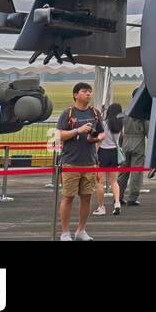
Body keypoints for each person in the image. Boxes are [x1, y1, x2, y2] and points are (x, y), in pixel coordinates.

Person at [56, 82, 103, 240]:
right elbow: (59, 135)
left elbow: (102, 134)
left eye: (90, 92)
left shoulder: (95, 113)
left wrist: (94, 138)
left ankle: (81, 230)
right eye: (84, 91)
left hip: (89, 162)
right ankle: (64, 232)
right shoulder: (68, 113)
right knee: (68, 197)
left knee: (87, 197)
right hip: (70, 162)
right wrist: (78, 130)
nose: (88, 94)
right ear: (76, 94)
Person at [117, 96, 147, 207]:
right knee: (136, 172)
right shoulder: (142, 113)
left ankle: (118, 196)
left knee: (123, 172)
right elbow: (148, 131)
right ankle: (132, 198)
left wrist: (121, 144)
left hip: (125, 143)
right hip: (138, 143)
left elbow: (120, 131)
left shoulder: (125, 112)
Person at [94, 103, 123, 216]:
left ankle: (101, 207)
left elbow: (99, 140)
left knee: (100, 181)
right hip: (114, 153)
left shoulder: (104, 124)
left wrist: (95, 155)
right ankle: (117, 203)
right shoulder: (120, 125)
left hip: (103, 152)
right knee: (113, 181)